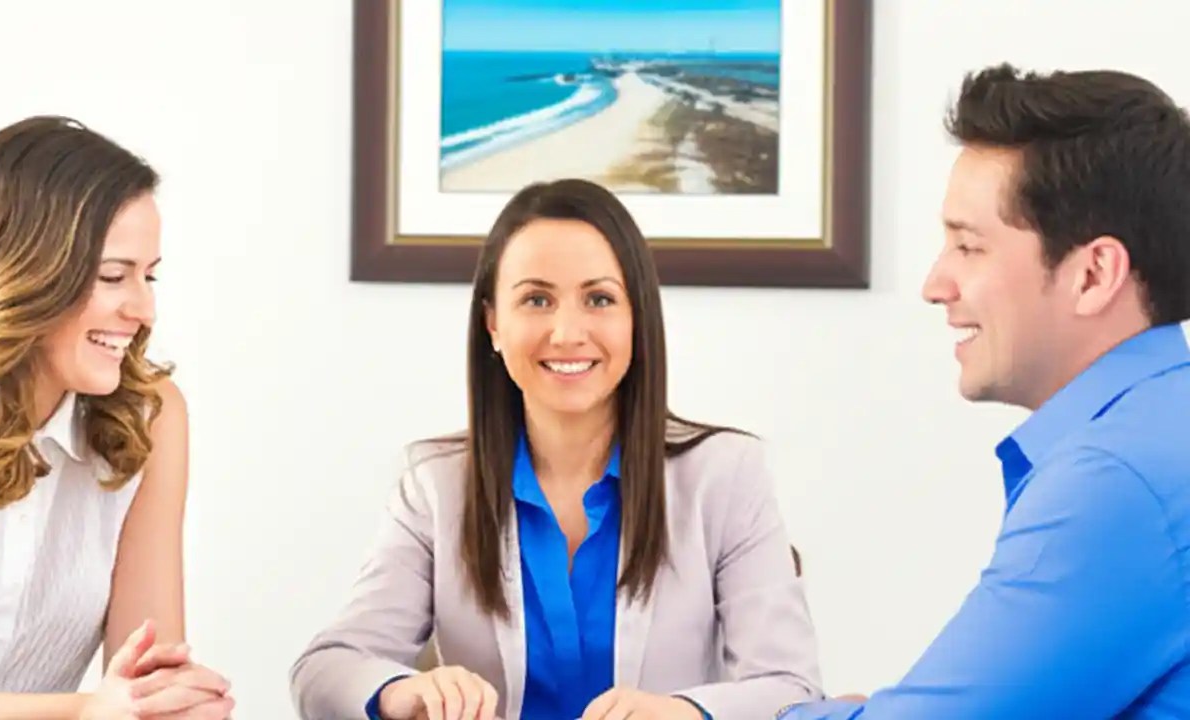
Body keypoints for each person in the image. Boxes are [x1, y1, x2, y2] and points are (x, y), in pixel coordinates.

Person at [290, 178, 823, 720]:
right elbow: (326, 670)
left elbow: (791, 687)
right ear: (493, 324)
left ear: (637, 319)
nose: (567, 332)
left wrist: (682, 713)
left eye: (599, 299)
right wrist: (402, 692)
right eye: (537, 300)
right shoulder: (435, 485)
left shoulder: (725, 475)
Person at [780, 64, 1190, 719]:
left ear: (1093, 275)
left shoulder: (1116, 477)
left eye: (969, 247)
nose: (935, 285)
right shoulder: (1163, 428)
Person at [0, 116, 233, 719]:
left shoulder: (151, 417)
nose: (144, 308)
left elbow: (143, 678)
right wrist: (82, 713)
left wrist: (174, 705)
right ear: (21, 272)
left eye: (149, 275)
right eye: (113, 276)